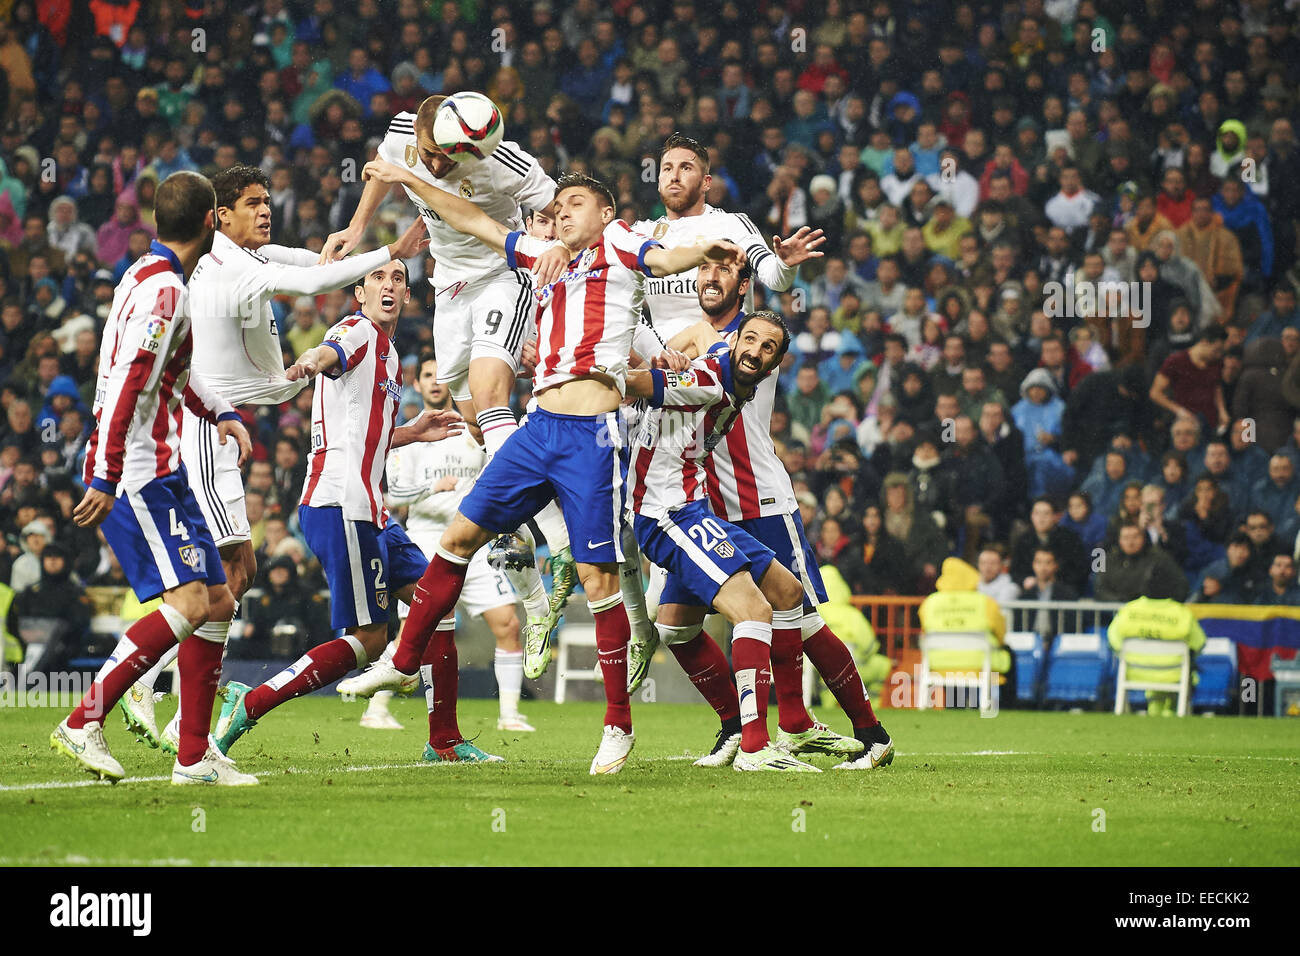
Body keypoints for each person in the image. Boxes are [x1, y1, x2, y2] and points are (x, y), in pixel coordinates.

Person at [345, 163, 746, 775]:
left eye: (575, 203)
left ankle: (618, 725)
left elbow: (665, 260)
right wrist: (406, 177)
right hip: (537, 428)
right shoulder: (544, 255)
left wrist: (706, 250)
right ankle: (403, 663)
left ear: (605, 214)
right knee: (456, 540)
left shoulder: (619, 243)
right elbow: (473, 220)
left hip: (593, 435)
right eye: (556, 206)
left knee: (597, 580)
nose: (562, 212)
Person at [118, 163, 429, 751]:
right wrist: (390, 246)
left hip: (231, 419)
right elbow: (314, 287)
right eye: (252, 203)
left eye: (267, 200)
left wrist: (354, 235)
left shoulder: (252, 258)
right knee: (225, 576)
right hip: (207, 428)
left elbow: (315, 264)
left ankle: (173, 698)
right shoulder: (225, 265)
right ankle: (147, 682)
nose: (265, 210)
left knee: (234, 575)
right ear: (221, 217)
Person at [318, 93, 577, 627]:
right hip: (448, 290)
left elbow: (562, 211)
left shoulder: (507, 161)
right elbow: (382, 174)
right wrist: (359, 228)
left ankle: (561, 541)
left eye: (448, 161)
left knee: (490, 400)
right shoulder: (405, 129)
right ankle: (529, 583)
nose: (435, 164)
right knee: (479, 429)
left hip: (502, 280)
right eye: (431, 154)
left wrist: (552, 248)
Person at [212, 257, 471, 760]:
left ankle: (445, 740)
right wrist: (308, 363)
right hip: (341, 502)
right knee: (370, 639)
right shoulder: (358, 329)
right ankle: (252, 700)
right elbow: (328, 352)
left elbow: (364, 434)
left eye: (398, 278)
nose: (389, 284)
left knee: (435, 602)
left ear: (409, 296)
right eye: (378, 277)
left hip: (370, 507)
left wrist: (411, 433)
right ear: (360, 294)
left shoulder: (392, 356)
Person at [640, 260, 892, 768]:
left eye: (724, 272)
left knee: (793, 617)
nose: (710, 279)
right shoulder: (698, 335)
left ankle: (819, 726)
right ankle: (739, 729)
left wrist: (776, 265)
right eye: (703, 271)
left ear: (742, 284)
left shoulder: (745, 343)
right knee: (673, 625)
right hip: (702, 509)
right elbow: (660, 350)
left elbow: (656, 371)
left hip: (761, 504)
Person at [51, 171, 256, 786]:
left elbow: (171, 370)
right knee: (191, 603)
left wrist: (220, 411)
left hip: (163, 467)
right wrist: (107, 473)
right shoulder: (167, 292)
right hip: (137, 471)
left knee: (218, 598)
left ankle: (193, 758)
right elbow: (127, 386)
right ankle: (84, 719)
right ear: (211, 223)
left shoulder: (145, 275)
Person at [363, 350, 535, 734]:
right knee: (415, 633)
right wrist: (432, 486)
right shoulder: (408, 433)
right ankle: (376, 707)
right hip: (425, 542)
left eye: (442, 375)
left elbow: (496, 475)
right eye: (428, 375)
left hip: (473, 545)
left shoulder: (473, 431)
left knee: (507, 623)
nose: (437, 381)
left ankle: (509, 714)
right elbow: (395, 493)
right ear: (419, 383)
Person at [918, 557, 1012, 700]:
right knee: (1009, 654)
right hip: (979, 661)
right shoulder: (985, 602)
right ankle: (1008, 706)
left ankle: (954, 704)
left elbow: (925, 632)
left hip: (939, 661)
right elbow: (1001, 634)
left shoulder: (930, 602)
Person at [1106, 596, 1207, 716]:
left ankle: (1155, 707)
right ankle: (1171, 708)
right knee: (1190, 671)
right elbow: (1199, 643)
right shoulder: (1181, 612)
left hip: (1135, 672)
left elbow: (1113, 641)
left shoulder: (1129, 609)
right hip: (1174, 673)